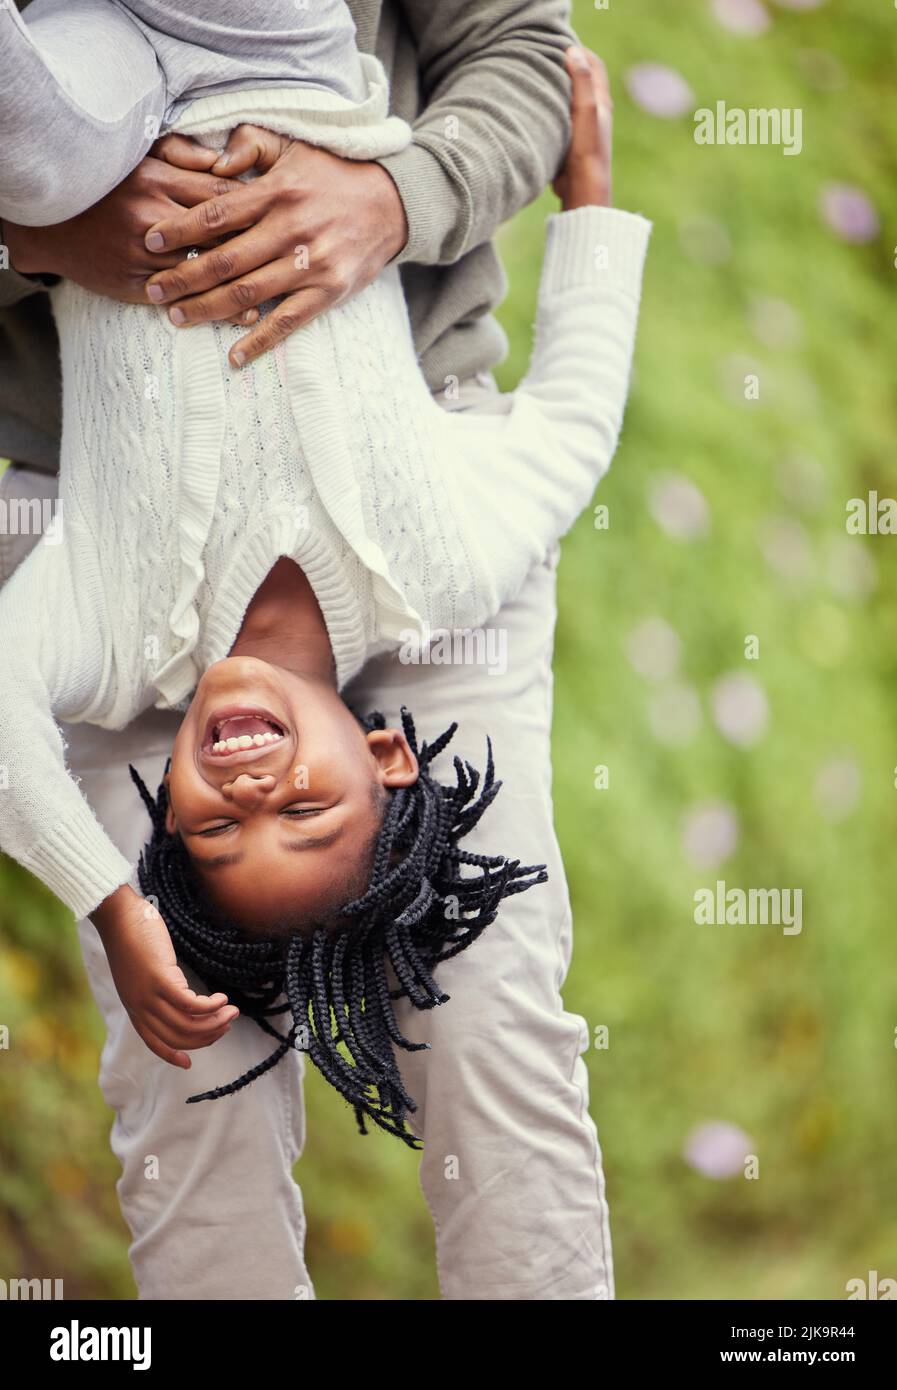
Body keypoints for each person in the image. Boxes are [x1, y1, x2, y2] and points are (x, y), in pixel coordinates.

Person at [0, 0, 637, 1301]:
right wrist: (586, 211)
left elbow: (508, 44)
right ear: (385, 753)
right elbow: (574, 420)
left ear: (169, 807)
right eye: (300, 805)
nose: (249, 790)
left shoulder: (102, 628)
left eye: (222, 827)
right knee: (444, 1006)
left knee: (253, 1045)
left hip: (76, 492)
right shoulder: (449, 547)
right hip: (417, 427)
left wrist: (111, 896)